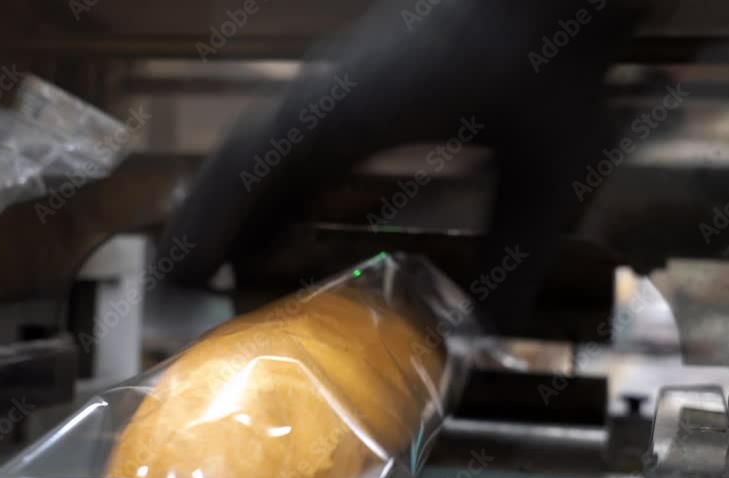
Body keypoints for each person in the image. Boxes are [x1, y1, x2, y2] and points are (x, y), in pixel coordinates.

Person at [162, 0, 650, 333]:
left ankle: (193, 269)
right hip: (539, 56)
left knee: (303, 129)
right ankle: (477, 350)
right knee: (304, 132)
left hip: (495, 43)